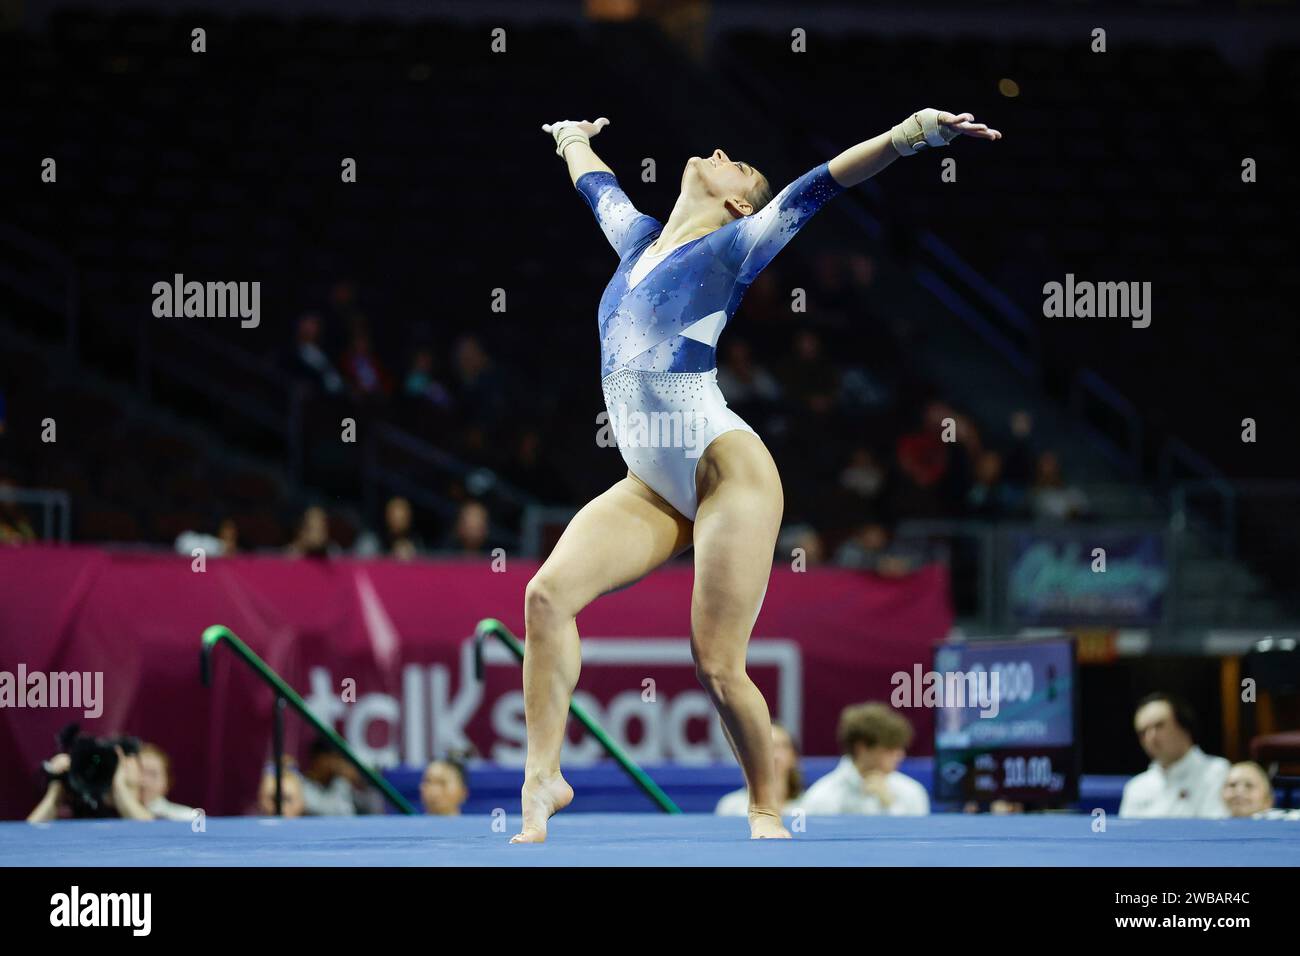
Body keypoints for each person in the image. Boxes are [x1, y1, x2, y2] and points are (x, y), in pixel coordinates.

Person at [514, 108, 999, 843]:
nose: (717, 150)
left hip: (726, 472)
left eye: (735, 161)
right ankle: (544, 775)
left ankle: (765, 807)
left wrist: (912, 135)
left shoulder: (735, 246)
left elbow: (821, 185)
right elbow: (598, 189)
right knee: (546, 597)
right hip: (650, 479)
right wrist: (571, 139)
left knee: (715, 661)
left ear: (740, 202)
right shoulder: (637, 242)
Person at [797, 702, 930, 816]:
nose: (900, 755)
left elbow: (918, 843)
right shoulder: (821, 797)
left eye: (899, 748)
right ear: (862, 748)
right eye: (890, 748)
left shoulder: (912, 792)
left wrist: (890, 804)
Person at [1119, 692, 1229, 818]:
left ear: (1184, 726)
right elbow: (1130, 836)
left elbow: (1216, 830)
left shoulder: (1217, 772)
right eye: (1143, 732)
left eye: (1159, 726)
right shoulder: (1136, 787)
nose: (1151, 737)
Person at [714, 724, 803, 816]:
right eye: (763, 747)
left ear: (794, 756)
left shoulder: (808, 806)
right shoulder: (730, 807)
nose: (772, 755)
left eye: (779, 746)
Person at [138, 743, 195, 821]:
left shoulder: (187, 816)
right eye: (138, 772)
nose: (144, 782)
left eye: (153, 774)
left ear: (167, 782)